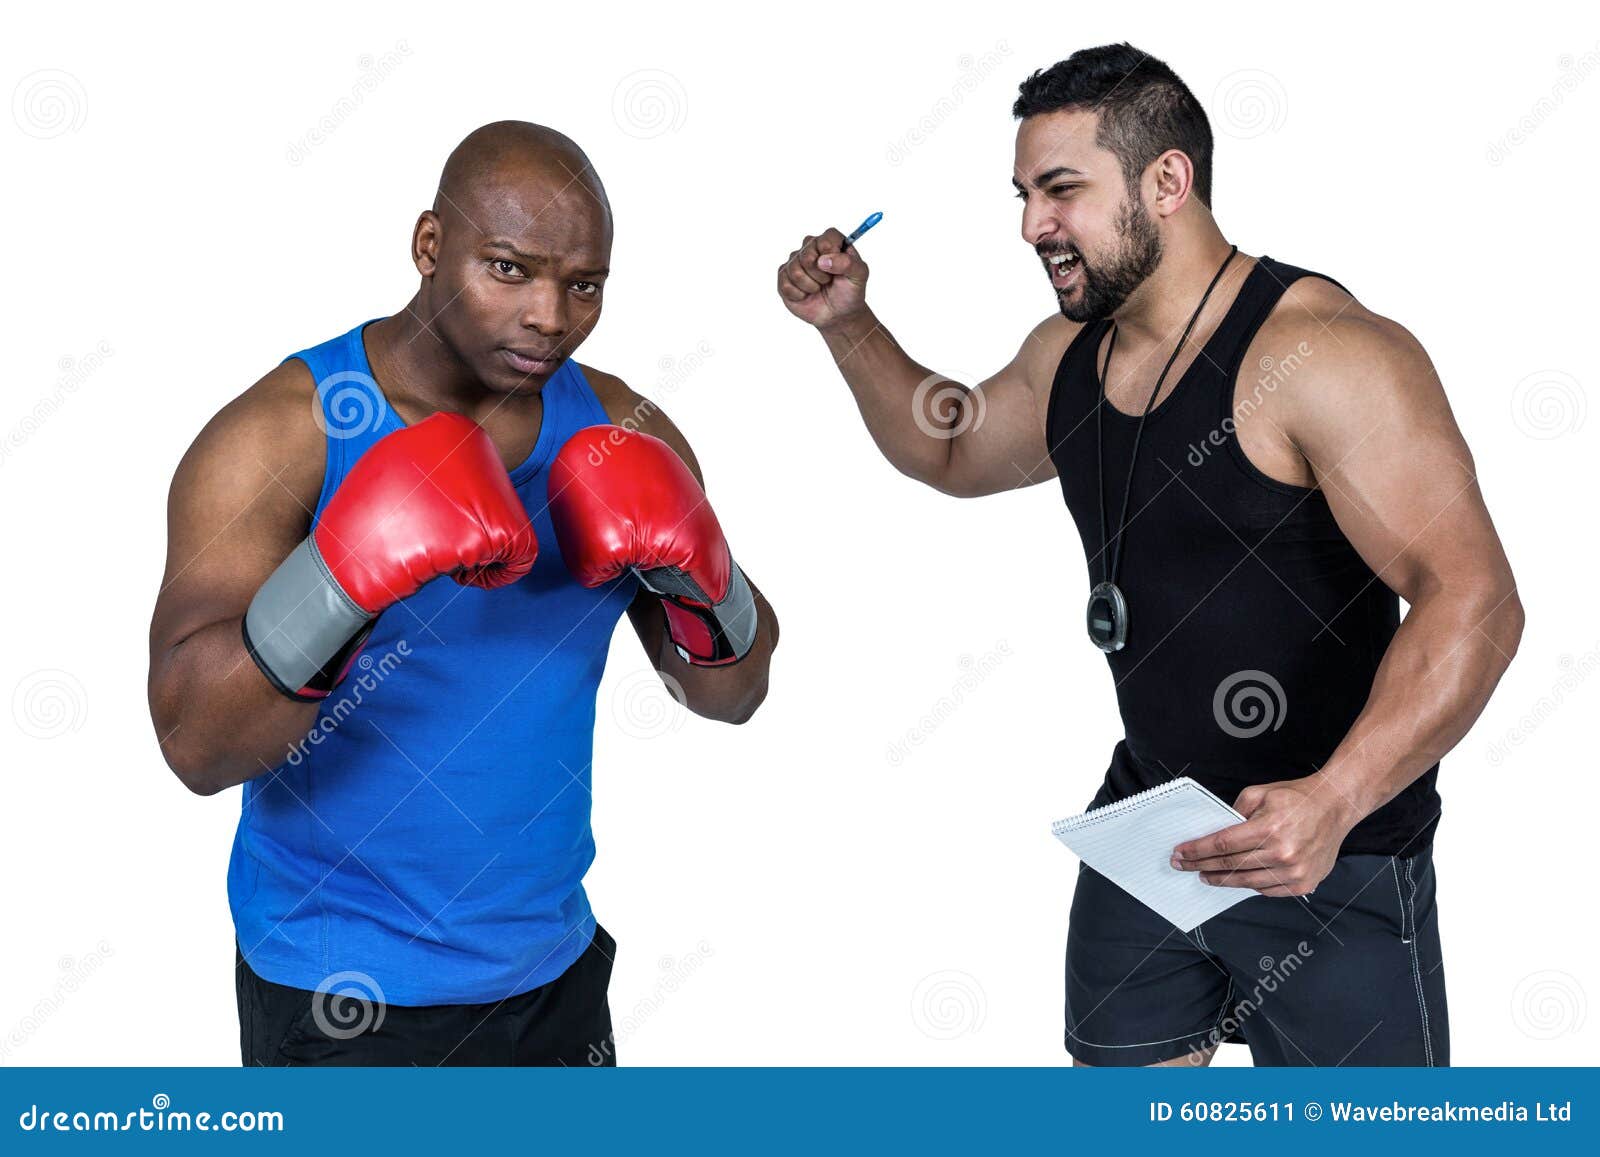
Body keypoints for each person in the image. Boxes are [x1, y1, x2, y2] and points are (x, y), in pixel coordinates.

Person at [777, 44, 1521, 1066]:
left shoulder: (1327, 355)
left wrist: (1333, 798)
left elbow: (1475, 599)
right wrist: (847, 323)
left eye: (1061, 190)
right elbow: (950, 448)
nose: (1032, 226)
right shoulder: (1068, 355)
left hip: (1331, 853)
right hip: (1152, 832)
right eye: (1025, 196)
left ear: (1167, 180)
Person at [148, 121, 778, 1066]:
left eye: (585, 285)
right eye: (509, 269)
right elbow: (193, 746)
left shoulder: (617, 430)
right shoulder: (285, 433)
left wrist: (701, 580)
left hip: (553, 972)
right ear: (429, 245)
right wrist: (344, 575)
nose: (550, 317)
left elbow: (735, 693)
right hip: (340, 991)